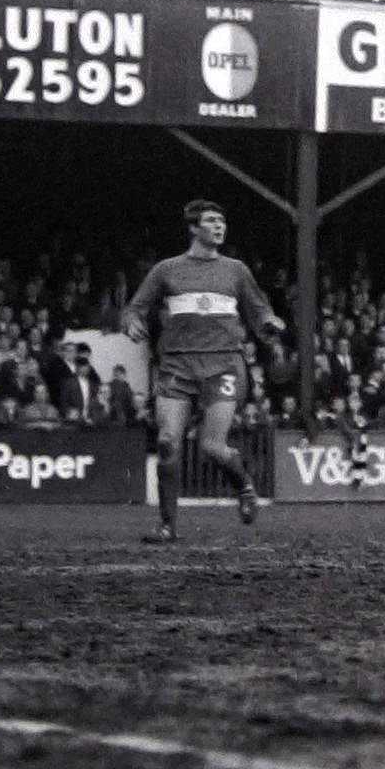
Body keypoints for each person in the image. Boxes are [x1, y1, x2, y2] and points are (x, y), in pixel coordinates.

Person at [123, 197, 287, 543]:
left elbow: (259, 310)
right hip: (177, 365)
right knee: (168, 442)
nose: (219, 226)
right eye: (211, 221)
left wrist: (270, 323)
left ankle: (243, 485)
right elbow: (135, 308)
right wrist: (133, 321)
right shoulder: (167, 270)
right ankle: (168, 526)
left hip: (223, 364)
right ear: (194, 228)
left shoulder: (236, 270)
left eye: (222, 221)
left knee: (213, 446)